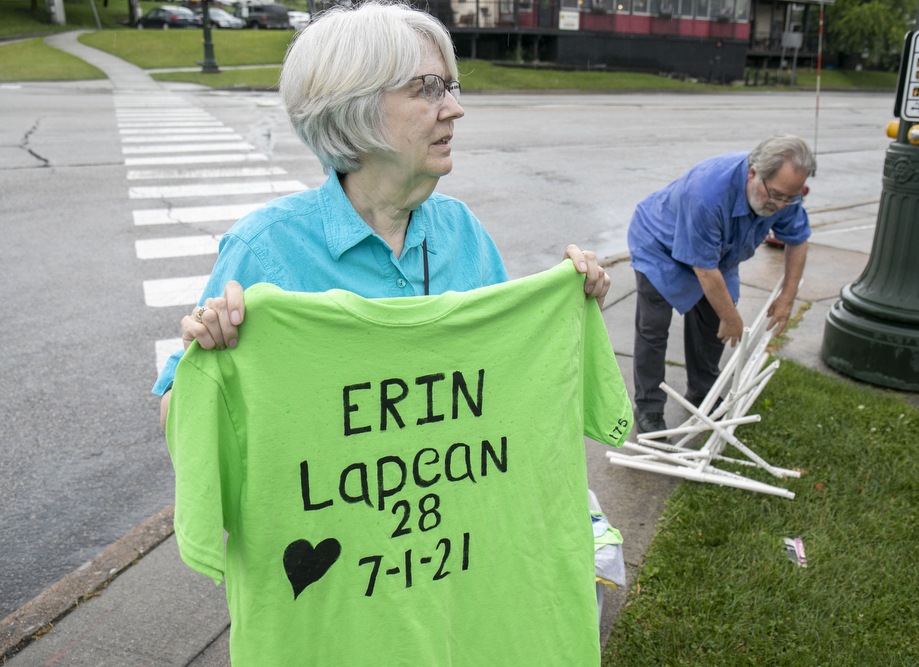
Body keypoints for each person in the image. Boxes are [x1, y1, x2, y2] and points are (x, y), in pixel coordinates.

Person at [153, 2, 609, 429]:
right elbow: (179, 415)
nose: (455, 108)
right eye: (429, 89)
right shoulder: (266, 248)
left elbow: (510, 375)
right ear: (355, 107)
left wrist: (567, 309)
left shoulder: (461, 230)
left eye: (449, 88)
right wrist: (207, 352)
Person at [628, 133, 814, 435]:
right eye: (777, 195)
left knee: (713, 326)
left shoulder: (782, 191)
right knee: (654, 327)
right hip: (660, 245)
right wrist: (731, 316)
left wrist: (787, 296)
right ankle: (649, 408)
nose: (781, 205)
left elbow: (798, 239)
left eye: (790, 198)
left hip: (717, 255)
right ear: (753, 173)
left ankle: (703, 395)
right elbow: (704, 270)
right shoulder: (707, 192)